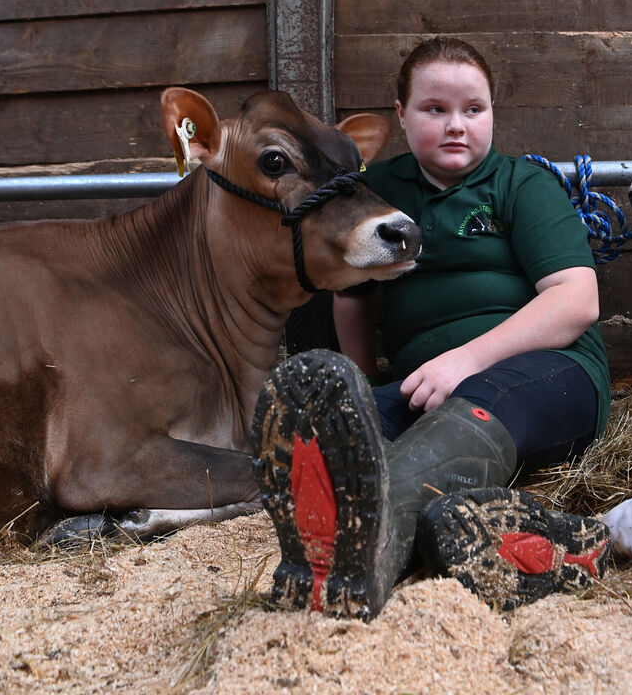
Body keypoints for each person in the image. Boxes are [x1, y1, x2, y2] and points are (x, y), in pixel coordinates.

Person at [253, 37, 612, 620]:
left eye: (474, 109)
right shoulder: (377, 189)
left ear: (492, 112)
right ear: (401, 114)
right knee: (327, 436)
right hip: (428, 387)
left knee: (481, 396)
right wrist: (364, 383)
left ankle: (367, 540)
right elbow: (352, 297)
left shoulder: (521, 185)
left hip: (552, 375)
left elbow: (576, 302)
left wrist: (465, 360)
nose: (456, 125)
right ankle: (458, 529)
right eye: (435, 109)